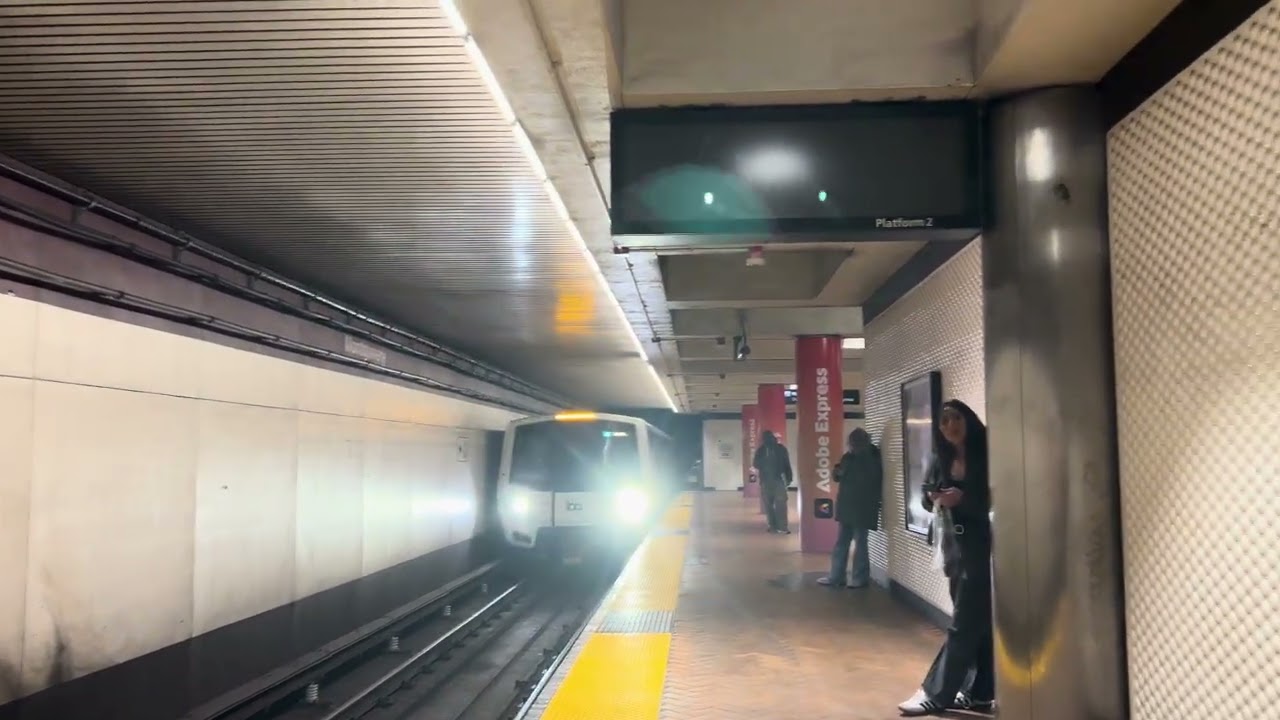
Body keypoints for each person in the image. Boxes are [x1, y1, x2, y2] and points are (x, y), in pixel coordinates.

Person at [898, 400, 995, 717]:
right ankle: (981, 692)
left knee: (964, 622)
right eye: (944, 421)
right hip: (953, 546)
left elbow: (997, 497)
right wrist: (934, 497)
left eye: (956, 419)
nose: (950, 426)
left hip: (984, 545)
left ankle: (936, 693)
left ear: (968, 420)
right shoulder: (941, 457)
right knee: (978, 621)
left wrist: (963, 499)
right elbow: (927, 495)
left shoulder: (988, 453)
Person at [817, 428, 882, 588]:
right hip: (851, 506)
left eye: (852, 443)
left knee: (856, 542)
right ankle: (842, 577)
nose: (850, 446)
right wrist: (837, 471)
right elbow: (838, 476)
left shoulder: (869, 458)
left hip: (860, 506)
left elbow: (867, 482)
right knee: (848, 542)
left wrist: (841, 471)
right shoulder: (852, 457)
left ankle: (850, 577)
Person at [752, 430, 793, 534]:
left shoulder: (761, 450)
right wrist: (789, 478)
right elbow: (787, 464)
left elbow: (756, 464)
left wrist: (763, 463)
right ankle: (782, 527)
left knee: (769, 505)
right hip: (778, 480)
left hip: (767, 481)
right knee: (780, 504)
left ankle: (773, 526)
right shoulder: (781, 448)